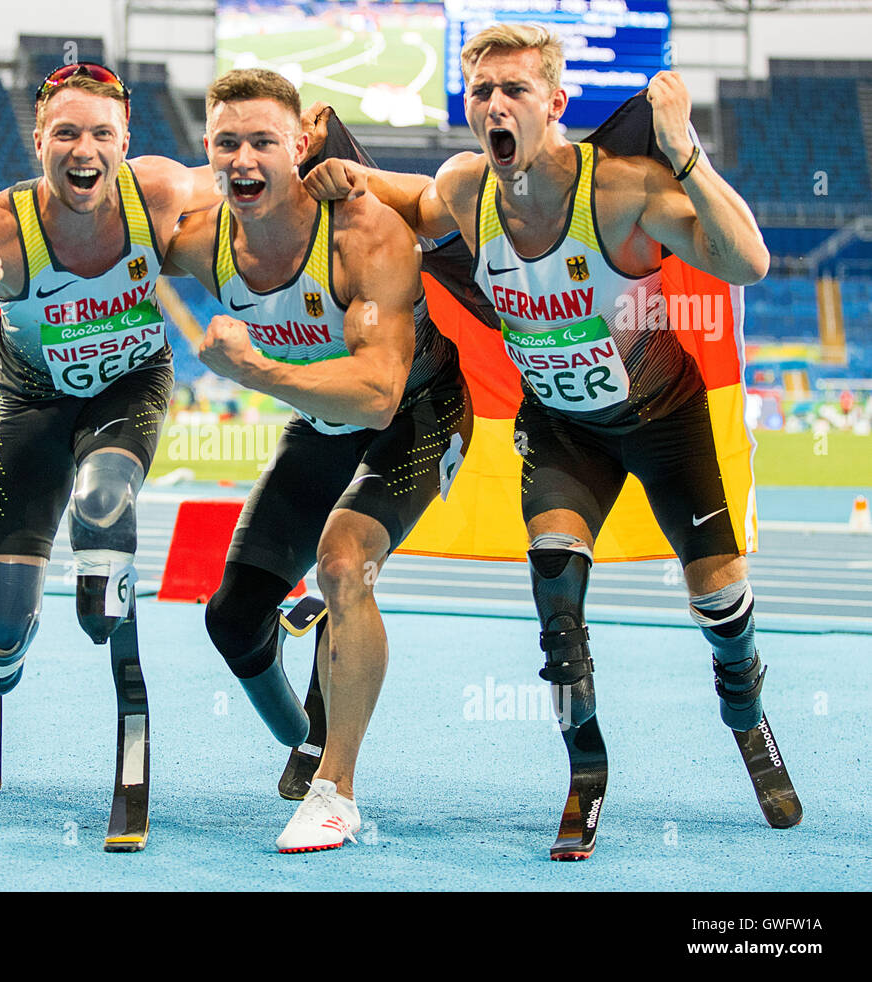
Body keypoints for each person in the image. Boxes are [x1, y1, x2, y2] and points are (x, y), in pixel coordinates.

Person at [304, 23, 779, 852]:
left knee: (721, 607)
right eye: (482, 92)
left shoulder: (621, 191)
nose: (496, 104)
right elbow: (404, 198)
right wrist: (344, 171)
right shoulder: (465, 188)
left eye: (514, 90)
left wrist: (688, 152)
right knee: (556, 596)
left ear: (554, 104)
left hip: (665, 422)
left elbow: (748, 263)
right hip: (563, 430)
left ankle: (747, 715)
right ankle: (584, 767)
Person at [163, 69, 472, 853]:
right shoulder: (201, 242)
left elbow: (374, 393)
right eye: (227, 142)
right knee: (231, 620)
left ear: (300, 145)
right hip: (319, 426)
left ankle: (337, 788)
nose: (243, 159)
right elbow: (98, 238)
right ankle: (305, 741)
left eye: (263, 141)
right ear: (207, 151)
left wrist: (257, 372)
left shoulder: (362, 234)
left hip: (417, 415)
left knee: (342, 565)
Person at [0, 62, 220, 700]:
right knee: (7, 622)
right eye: (66, 134)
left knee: (101, 501)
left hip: (130, 383)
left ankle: (106, 573)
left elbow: (263, 183)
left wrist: (324, 160)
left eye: (101, 134)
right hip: (33, 404)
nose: (84, 151)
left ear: (125, 141)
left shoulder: (163, 191)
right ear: (38, 143)